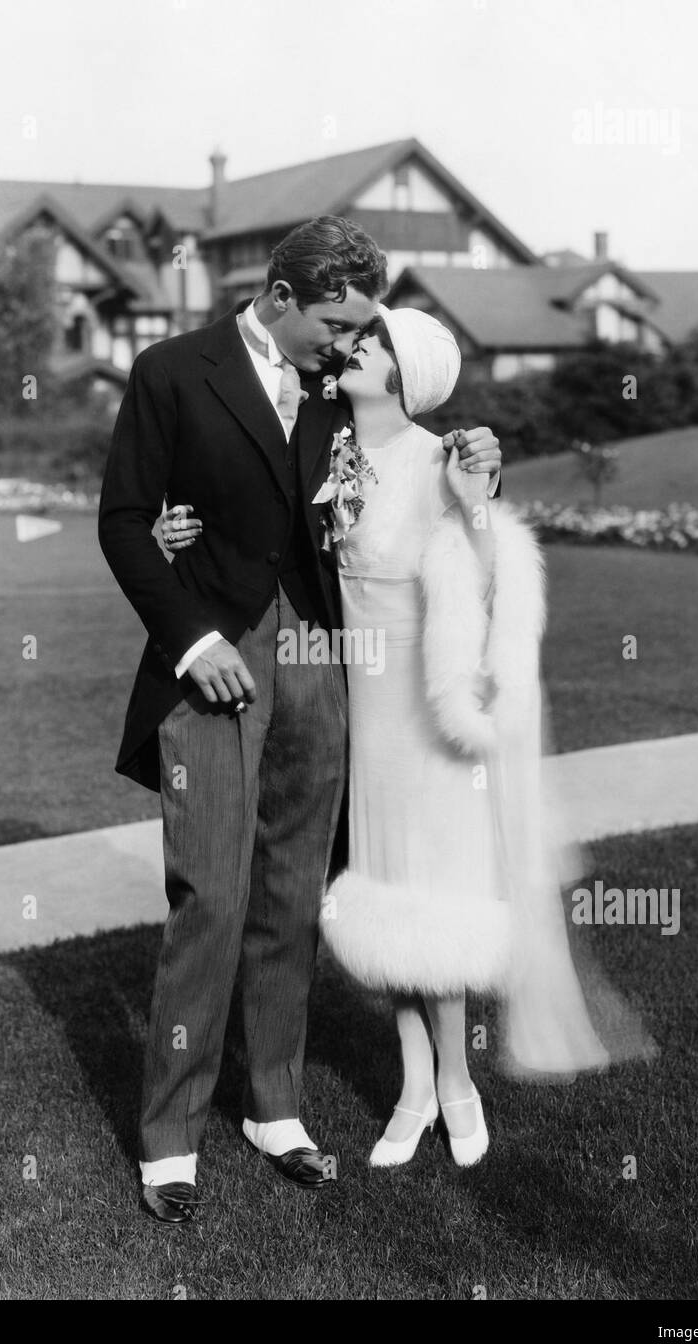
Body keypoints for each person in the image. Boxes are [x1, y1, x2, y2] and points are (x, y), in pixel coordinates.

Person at [161, 304, 652, 1172]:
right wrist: (175, 528)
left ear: (406, 373)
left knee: (440, 898)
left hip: (425, 714)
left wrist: (473, 507)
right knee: (383, 895)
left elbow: (493, 587)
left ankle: (452, 1083)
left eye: (373, 342)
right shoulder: (322, 443)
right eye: (356, 337)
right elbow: (253, 515)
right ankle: (414, 1082)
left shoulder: (443, 460)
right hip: (356, 708)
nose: (352, 347)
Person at [98, 216, 503, 1224]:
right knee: (213, 895)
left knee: (292, 897)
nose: (343, 342)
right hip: (213, 666)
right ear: (279, 293)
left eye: (358, 326)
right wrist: (193, 636)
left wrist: (489, 464)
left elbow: (414, 462)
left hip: (319, 664)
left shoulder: (337, 384)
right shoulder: (171, 370)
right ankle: (170, 1135)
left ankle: (274, 1106)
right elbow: (121, 518)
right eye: (334, 320)